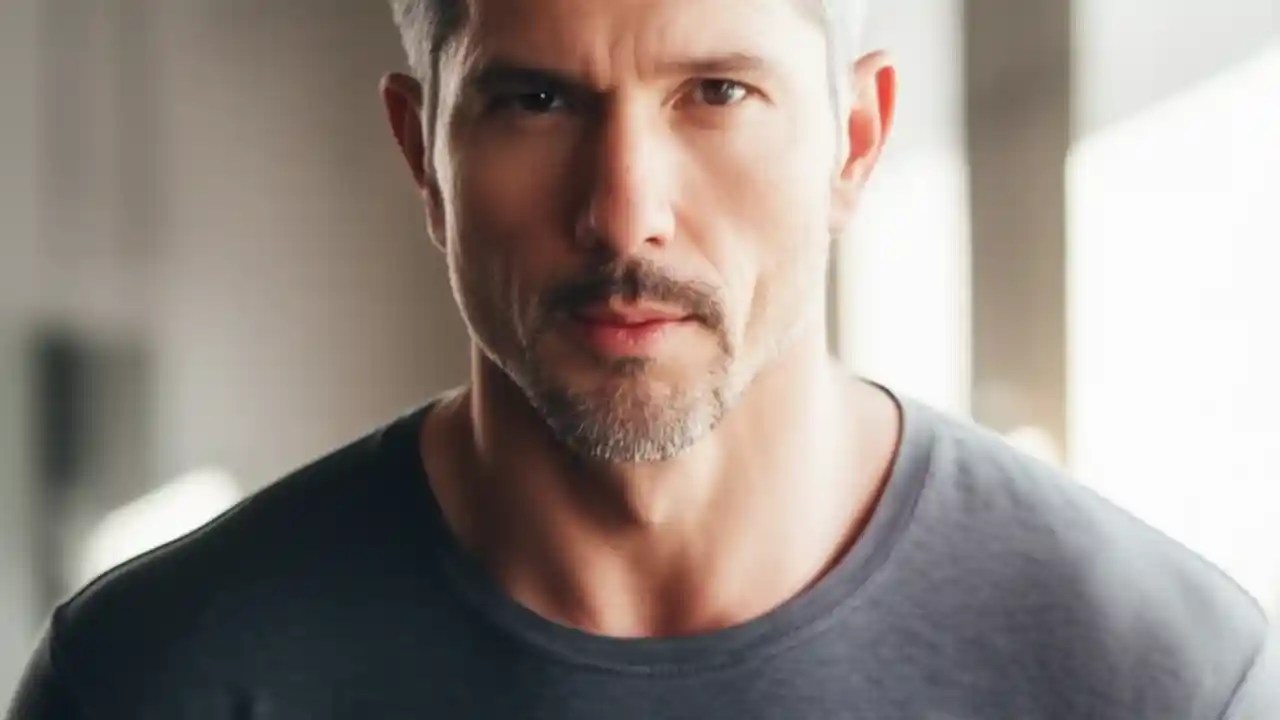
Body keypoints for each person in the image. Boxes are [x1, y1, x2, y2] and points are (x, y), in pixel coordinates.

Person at [8, 0, 1276, 717]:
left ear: (854, 138)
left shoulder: (1157, 676)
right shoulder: (153, 683)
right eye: (535, 101)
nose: (623, 214)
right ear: (422, 156)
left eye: (715, 93)